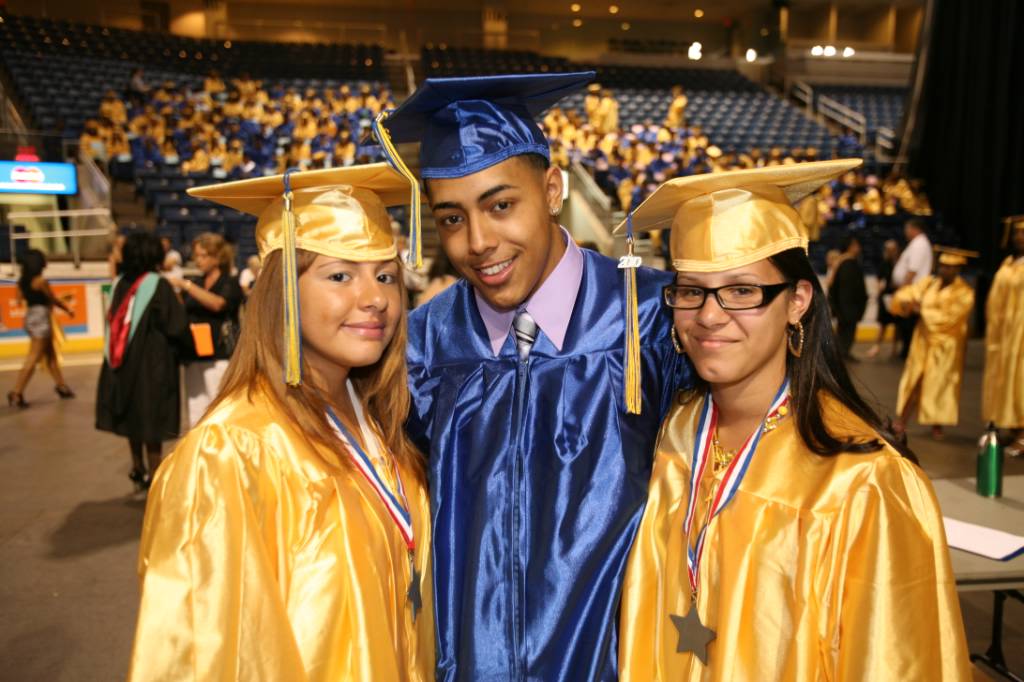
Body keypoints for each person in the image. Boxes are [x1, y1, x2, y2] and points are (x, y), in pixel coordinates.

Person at [380, 72, 690, 680]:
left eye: (501, 205)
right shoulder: (425, 344)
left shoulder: (653, 318)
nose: (478, 243)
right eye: (450, 219)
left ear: (552, 189)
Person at [616, 161, 971, 680]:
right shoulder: (675, 430)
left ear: (797, 301)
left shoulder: (866, 483)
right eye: (691, 289)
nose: (709, 315)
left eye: (742, 290)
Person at [128, 164, 434, 681]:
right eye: (340, 275)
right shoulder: (229, 455)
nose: (375, 298)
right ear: (280, 291)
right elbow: (212, 659)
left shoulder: (380, 423)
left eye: (385, 275)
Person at [95, 231, 188, 491]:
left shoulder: (120, 283)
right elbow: (176, 326)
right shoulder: (157, 285)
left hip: (122, 361)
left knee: (133, 416)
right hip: (152, 365)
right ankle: (157, 476)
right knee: (152, 420)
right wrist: (190, 349)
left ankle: (137, 467)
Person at [890, 247, 976, 440]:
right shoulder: (930, 283)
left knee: (940, 385)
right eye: (942, 265)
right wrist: (904, 303)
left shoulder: (965, 292)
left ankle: (938, 425)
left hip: (947, 345)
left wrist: (921, 311)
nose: (944, 270)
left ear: (958, 269)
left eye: (949, 267)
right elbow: (907, 293)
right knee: (915, 380)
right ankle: (902, 421)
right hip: (923, 341)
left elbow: (951, 318)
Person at [166, 232, 243, 426]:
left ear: (217, 257)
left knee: (219, 408)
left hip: (218, 355)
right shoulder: (198, 282)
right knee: (196, 410)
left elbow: (218, 303)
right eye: (196, 256)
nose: (198, 260)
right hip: (194, 353)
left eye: (203, 255)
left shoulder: (229, 282)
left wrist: (186, 285)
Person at [7, 249, 74, 408]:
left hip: (30, 317)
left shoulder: (21, 282)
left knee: (50, 355)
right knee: (33, 357)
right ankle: (16, 392)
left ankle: (61, 386)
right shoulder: (40, 281)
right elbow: (52, 299)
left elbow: (18, 300)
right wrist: (67, 309)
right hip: (41, 318)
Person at [983, 217, 1024, 455]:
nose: (1019, 237)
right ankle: (1013, 426)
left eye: (1023, 233)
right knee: (1008, 379)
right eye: (1017, 233)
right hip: (1006, 333)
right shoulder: (1009, 262)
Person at [891, 217, 933, 358]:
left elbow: (912, 270)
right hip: (911, 289)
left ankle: (908, 351)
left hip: (913, 290)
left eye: (907, 229)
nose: (905, 232)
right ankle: (906, 349)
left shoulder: (919, 245)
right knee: (905, 323)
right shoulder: (917, 243)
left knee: (908, 323)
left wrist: (902, 289)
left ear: (914, 229)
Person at [827, 234, 868, 361]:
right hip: (848, 307)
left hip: (844, 307)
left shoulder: (842, 263)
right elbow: (848, 289)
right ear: (850, 246)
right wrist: (847, 309)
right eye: (856, 245)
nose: (859, 248)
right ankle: (842, 354)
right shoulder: (848, 264)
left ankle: (841, 353)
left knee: (844, 331)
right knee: (846, 332)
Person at [866, 238, 901, 359]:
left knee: (897, 324)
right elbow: (879, 279)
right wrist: (880, 286)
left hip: (897, 296)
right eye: (889, 249)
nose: (891, 252)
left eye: (893, 249)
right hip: (885, 296)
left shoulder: (900, 263)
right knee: (883, 324)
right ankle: (876, 346)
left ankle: (894, 349)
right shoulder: (884, 264)